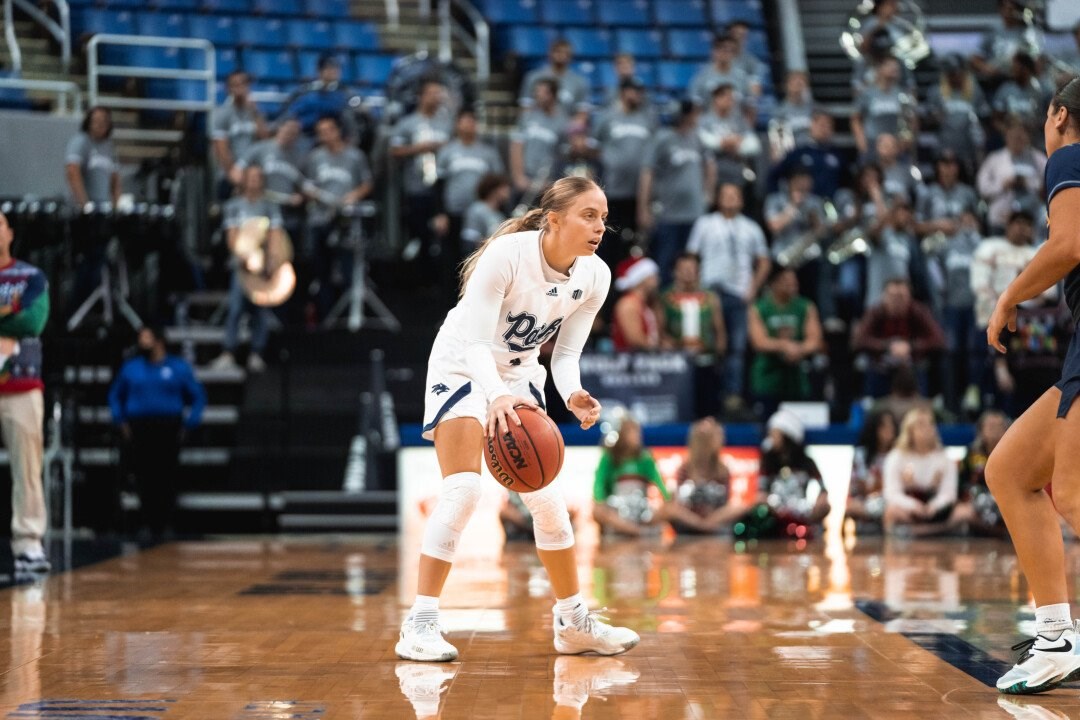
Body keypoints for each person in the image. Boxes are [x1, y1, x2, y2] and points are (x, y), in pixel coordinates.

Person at [398, 176, 639, 662]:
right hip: (462, 363)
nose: (600, 227)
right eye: (588, 216)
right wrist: (494, 397)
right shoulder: (507, 255)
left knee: (547, 500)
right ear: (554, 220)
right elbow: (476, 344)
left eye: (604, 218)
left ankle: (573, 622)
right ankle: (419, 623)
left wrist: (572, 393)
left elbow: (564, 355)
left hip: (518, 370)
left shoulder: (596, 275)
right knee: (464, 489)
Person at [985, 76, 1080, 696]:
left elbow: (1067, 243)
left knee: (1071, 490)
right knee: (1012, 470)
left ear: (1059, 114)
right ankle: (1056, 638)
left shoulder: (1070, 156)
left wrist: (1008, 295)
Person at [108, 325, 206, 540]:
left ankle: (166, 522)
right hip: (139, 427)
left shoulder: (177, 367)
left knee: (167, 476)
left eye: (147, 338)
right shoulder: (131, 368)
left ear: (159, 341)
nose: (142, 342)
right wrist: (120, 420)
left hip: (168, 427)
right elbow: (115, 395)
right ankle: (146, 521)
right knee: (144, 476)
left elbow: (198, 396)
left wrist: (190, 423)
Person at [686, 183, 770, 409]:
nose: (730, 198)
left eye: (735, 195)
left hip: (739, 293)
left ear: (741, 199)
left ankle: (732, 396)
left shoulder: (751, 227)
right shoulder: (705, 223)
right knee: (706, 345)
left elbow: (764, 261)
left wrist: (753, 288)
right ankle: (702, 396)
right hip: (708, 292)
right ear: (717, 198)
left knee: (736, 348)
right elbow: (692, 256)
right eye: (726, 194)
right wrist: (694, 286)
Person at [0, 212, 51, 574]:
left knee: (27, 468)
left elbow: (33, 321)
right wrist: (9, 310)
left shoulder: (30, 276)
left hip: (21, 385)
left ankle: (29, 542)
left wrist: (15, 315)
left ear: (10, 233)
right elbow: (17, 318)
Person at [211, 165, 285, 373]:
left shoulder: (269, 206)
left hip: (263, 266)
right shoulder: (234, 206)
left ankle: (256, 353)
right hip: (242, 266)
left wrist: (271, 259)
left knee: (261, 310)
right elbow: (232, 236)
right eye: (250, 177)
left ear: (262, 181)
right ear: (244, 180)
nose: (253, 181)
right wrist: (243, 256)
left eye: (257, 177)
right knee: (235, 308)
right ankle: (228, 352)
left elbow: (275, 234)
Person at [303, 115, 374, 318]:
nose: (325, 135)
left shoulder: (355, 156)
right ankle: (326, 316)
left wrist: (352, 196)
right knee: (321, 269)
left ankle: (348, 314)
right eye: (320, 132)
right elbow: (307, 186)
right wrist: (314, 194)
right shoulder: (315, 157)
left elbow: (367, 184)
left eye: (328, 130)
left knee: (348, 266)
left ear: (338, 131)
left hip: (347, 220)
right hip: (320, 218)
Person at [638, 100, 714, 286]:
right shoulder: (663, 138)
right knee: (665, 263)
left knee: (694, 264)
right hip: (668, 214)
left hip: (695, 213)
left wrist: (709, 194)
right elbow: (647, 173)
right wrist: (644, 208)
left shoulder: (697, 138)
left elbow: (710, 165)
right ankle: (665, 300)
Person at [390, 79, 454, 267]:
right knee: (419, 231)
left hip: (443, 187)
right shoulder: (407, 123)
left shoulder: (446, 123)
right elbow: (395, 150)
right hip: (416, 186)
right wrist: (420, 148)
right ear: (421, 96)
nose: (436, 97)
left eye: (439, 93)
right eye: (432, 93)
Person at [741, 410, 830, 540]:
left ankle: (806, 527)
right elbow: (761, 490)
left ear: (787, 436)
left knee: (826, 507)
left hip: (801, 510)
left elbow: (823, 488)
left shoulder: (806, 462)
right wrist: (766, 501)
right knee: (757, 510)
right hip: (775, 511)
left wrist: (821, 499)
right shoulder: (768, 461)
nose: (771, 438)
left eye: (774, 434)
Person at [747, 266, 824, 416]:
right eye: (786, 281)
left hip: (797, 378)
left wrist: (798, 350)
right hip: (767, 377)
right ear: (773, 284)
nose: (792, 284)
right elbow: (759, 342)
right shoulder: (759, 308)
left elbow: (815, 340)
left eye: (794, 281)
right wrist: (784, 346)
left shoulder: (806, 306)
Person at [592, 77, 654, 262]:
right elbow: (594, 149)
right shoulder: (607, 117)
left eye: (638, 91)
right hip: (612, 191)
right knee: (609, 241)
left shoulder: (648, 119)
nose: (635, 95)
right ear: (622, 92)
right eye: (631, 90)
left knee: (633, 244)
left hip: (638, 192)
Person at [852, 278, 946, 398]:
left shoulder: (918, 311)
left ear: (910, 297)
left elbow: (939, 340)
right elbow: (858, 341)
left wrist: (910, 346)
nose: (897, 301)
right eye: (892, 296)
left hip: (913, 369)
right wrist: (887, 346)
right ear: (884, 297)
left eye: (901, 296)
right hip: (881, 370)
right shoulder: (875, 312)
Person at [433, 109, 505, 259]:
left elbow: (498, 183)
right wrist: (440, 213)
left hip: (480, 213)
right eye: (464, 121)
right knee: (451, 255)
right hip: (453, 212)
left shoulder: (488, 152)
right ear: (457, 124)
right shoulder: (447, 151)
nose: (468, 125)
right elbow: (439, 184)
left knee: (477, 255)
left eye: (472, 121)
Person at [591, 415, 674, 536]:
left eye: (638, 432)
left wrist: (668, 498)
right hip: (617, 508)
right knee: (597, 511)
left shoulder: (645, 458)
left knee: (671, 509)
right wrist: (600, 501)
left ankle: (626, 529)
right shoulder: (609, 457)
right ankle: (638, 531)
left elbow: (659, 481)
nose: (637, 436)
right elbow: (599, 482)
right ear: (622, 435)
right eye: (632, 432)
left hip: (641, 509)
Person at [882, 406, 958, 536]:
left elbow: (949, 494)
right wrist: (914, 506)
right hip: (908, 510)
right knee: (891, 511)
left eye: (930, 424)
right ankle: (929, 531)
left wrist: (933, 507)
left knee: (961, 513)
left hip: (936, 512)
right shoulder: (896, 456)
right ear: (910, 430)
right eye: (921, 425)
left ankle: (917, 531)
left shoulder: (944, 458)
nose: (927, 429)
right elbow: (891, 493)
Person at [670, 418, 751, 534]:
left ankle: (705, 526)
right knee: (670, 509)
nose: (722, 441)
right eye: (717, 437)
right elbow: (678, 504)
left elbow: (725, 504)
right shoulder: (685, 469)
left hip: (715, 517)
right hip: (689, 519)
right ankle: (702, 526)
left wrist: (711, 517)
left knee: (739, 507)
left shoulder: (723, 470)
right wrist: (697, 521)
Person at [924, 54, 989, 179]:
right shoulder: (936, 92)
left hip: (969, 151)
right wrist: (935, 118)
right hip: (944, 149)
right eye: (952, 73)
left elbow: (984, 119)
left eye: (958, 73)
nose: (955, 77)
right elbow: (927, 121)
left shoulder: (975, 91)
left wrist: (981, 146)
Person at [976, 121, 1046, 233]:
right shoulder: (994, 159)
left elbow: (1048, 185)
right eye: (1013, 136)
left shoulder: (1039, 159)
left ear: (1027, 137)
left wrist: (1028, 183)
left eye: (1020, 136)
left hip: (1032, 220)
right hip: (1001, 218)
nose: (1017, 140)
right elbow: (983, 189)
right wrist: (1002, 185)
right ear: (1006, 136)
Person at [950, 410, 1008, 536]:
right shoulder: (971, 453)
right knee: (960, 513)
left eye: (999, 426)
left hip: (1005, 501)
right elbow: (962, 482)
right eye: (991, 426)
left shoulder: (1013, 454)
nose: (995, 431)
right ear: (981, 430)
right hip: (976, 501)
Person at [510, 79, 568, 200]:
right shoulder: (527, 117)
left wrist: (551, 182)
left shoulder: (563, 122)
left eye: (543, 92)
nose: (538, 95)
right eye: (537, 92)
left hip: (547, 181)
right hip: (525, 177)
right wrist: (518, 177)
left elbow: (561, 156)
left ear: (553, 95)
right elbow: (516, 147)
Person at [212, 71, 268, 198]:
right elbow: (221, 148)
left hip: (252, 175)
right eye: (235, 85)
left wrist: (255, 112)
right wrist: (232, 173)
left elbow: (264, 138)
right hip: (230, 174)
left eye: (243, 84)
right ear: (228, 89)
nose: (239, 88)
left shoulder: (254, 112)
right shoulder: (223, 113)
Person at [850, 56, 918, 158]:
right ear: (879, 68)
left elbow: (912, 119)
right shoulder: (867, 93)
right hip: (872, 142)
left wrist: (908, 139)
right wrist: (861, 141)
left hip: (896, 144)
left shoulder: (903, 94)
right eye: (889, 65)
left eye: (896, 66)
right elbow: (855, 118)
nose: (894, 68)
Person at [770, 109, 845, 200]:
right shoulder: (798, 153)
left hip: (830, 203)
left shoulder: (838, 155)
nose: (825, 129)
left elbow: (846, 182)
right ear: (812, 126)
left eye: (829, 126)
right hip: (804, 204)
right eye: (822, 125)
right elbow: (774, 176)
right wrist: (781, 199)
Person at [698, 83, 760, 189]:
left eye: (731, 97)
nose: (730, 100)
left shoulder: (739, 120)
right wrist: (723, 143)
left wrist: (737, 146)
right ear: (716, 99)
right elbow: (701, 141)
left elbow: (755, 145)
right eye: (726, 97)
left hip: (736, 167)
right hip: (713, 169)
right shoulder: (705, 120)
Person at [281, 54, 357, 142]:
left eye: (336, 68)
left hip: (336, 134)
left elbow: (354, 108)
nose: (333, 71)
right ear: (319, 71)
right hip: (305, 134)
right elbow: (290, 110)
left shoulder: (346, 92)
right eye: (329, 68)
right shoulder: (305, 90)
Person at [971, 0, 1045, 85]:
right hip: (995, 79)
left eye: (1012, 9)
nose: (1009, 12)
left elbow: (1036, 61)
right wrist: (986, 68)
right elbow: (975, 59)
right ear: (1000, 9)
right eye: (1006, 8)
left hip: (1019, 81)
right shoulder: (992, 31)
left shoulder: (1028, 33)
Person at [846, 409, 897, 530]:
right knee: (852, 506)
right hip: (865, 504)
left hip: (891, 504)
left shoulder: (898, 455)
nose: (889, 431)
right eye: (884, 427)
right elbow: (853, 490)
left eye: (891, 426)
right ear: (874, 428)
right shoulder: (860, 455)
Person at [518, 38, 590, 118]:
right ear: (550, 54)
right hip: (538, 123)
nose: (561, 55)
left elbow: (582, 112)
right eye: (558, 51)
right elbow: (526, 107)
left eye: (566, 53)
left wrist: (573, 125)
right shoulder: (533, 77)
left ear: (571, 56)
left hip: (567, 123)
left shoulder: (579, 81)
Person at [65, 105, 120, 208]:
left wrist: (116, 206)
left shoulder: (109, 147)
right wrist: (84, 205)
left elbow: (115, 179)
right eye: (96, 121)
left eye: (104, 121)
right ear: (89, 122)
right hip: (82, 206)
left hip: (103, 205)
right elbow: (72, 172)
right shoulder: (81, 142)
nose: (100, 125)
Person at [611, 256, 662, 352]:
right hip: (631, 358)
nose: (657, 280)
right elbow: (635, 340)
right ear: (641, 279)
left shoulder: (647, 304)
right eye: (653, 276)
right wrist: (661, 351)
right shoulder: (628, 304)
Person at [688, 34, 751, 112]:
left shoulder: (742, 78)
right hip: (709, 119)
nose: (727, 54)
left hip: (736, 119)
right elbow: (695, 108)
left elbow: (749, 107)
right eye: (724, 49)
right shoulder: (701, 77)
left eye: (731, 50)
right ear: (715, 51)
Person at [769, 71, 814, 162]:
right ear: (787, 86)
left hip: (812, 153)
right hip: (790, 155)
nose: (798, 85)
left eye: (802, 82)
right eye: (794, 81)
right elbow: (778, 141)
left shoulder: (815, 109)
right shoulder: (780, 111)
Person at [461, 173, 510, 250]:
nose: (508, 191)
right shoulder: (477, 209)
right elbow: (469, 238)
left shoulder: (500, 215)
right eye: (504, 188)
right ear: (494, 190)